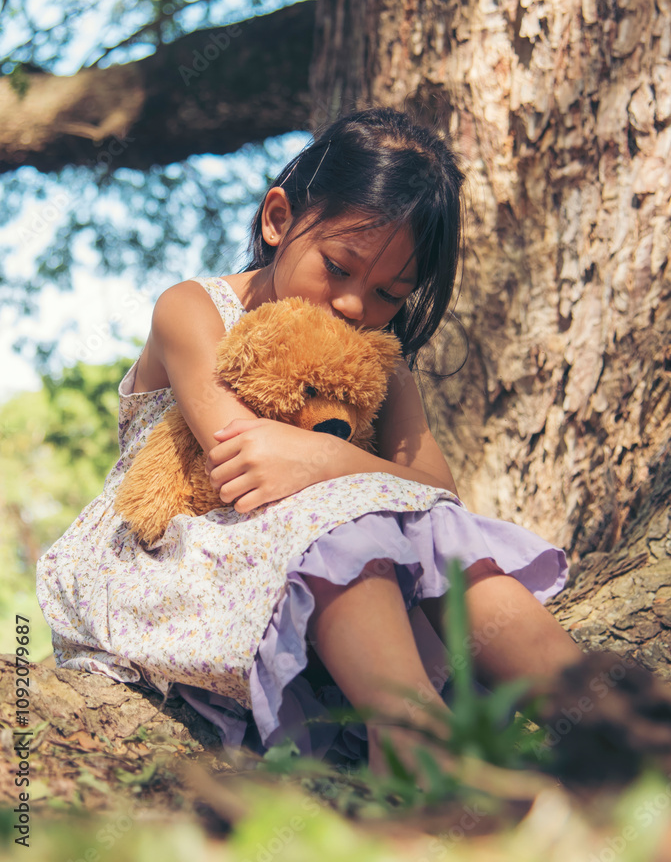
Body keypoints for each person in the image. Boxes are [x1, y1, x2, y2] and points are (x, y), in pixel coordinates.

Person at [36, 106, 585, 775]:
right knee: (342, 522)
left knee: (436, 535)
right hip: (178, 560)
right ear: (277, 221)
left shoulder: (379, 361)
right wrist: (351, 472)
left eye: (388, 292)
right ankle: (412, 737)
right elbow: (241, 457)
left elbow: (440, 493)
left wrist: (326, 456)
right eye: (337, 266)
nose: (355, 305)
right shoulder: (193, 309)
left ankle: (595, 713)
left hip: (317, 583)